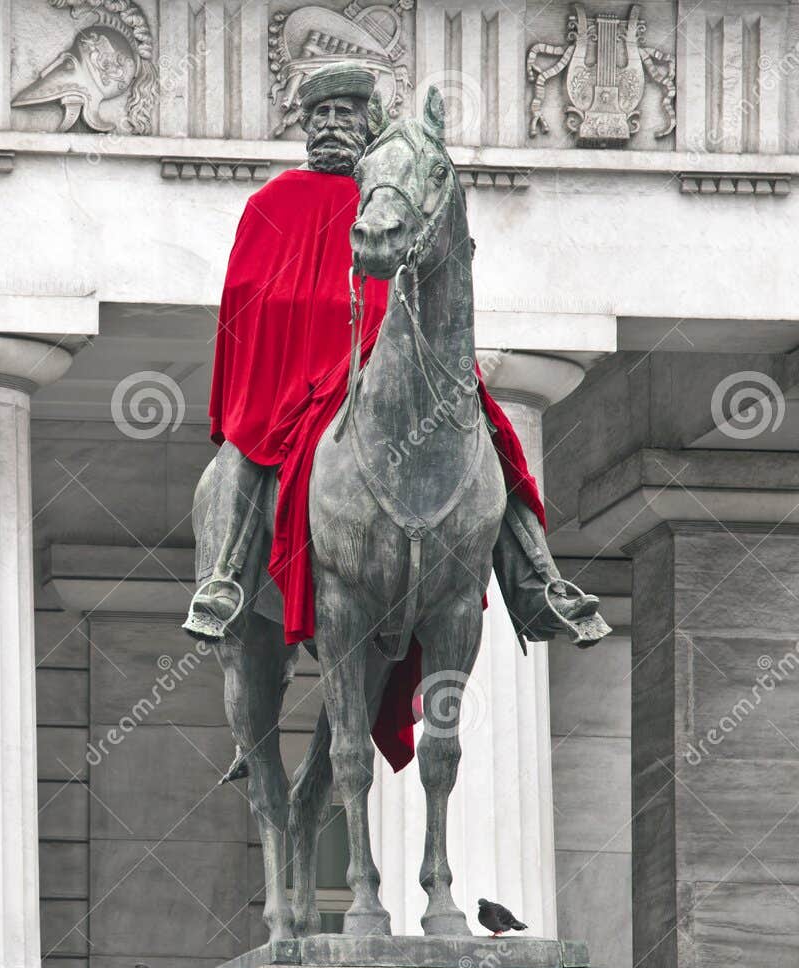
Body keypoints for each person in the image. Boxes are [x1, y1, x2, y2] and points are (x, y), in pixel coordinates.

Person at [186, 62, 609, 669]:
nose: (331, 125)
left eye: (345, 114)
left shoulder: (392, 192)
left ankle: (537, 581)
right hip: (289, 383)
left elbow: (430, 279)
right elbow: (246, 300)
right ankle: (224, 577)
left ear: (369, 123)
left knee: (491, 436)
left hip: (389, 370)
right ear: (303, 124)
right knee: (239, 454)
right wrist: (319, 317)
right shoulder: (271, 204)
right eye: (320, 115)